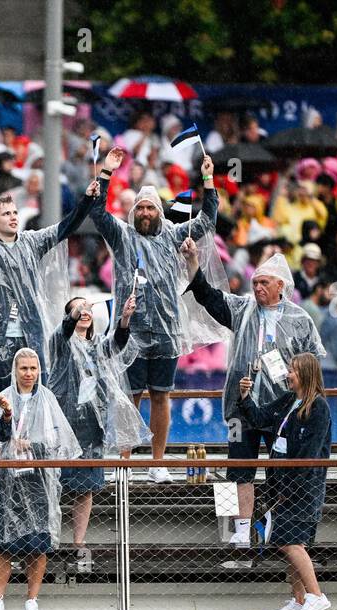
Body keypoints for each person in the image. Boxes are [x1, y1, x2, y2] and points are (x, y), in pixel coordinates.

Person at [90, 146, 222, 481]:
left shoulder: (175, 235)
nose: (146, 212)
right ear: (134, 212)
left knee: (161, 396)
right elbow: (98, 213)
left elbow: (207, 221)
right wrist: (106, 174)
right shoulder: (122, 236)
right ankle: (124, 461)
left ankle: (157, 462)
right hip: (130, 331)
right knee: (129, 397)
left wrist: (208, 180)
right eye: (141, 207)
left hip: (166, 332)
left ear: (160, 212)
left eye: (151, 207)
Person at [183, 238, 324, 551]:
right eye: (255, 282)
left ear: (280, 286)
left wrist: (303, 399)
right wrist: (193, 261)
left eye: (263, 283)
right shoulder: (242, 308)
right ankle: (241, 530)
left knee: (282, 469)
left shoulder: (300, 319)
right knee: (238, 467)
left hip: (283, 406)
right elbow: (208, 296)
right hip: (241, 405)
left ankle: (276, 526)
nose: (257, 288)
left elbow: (313, 362)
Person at [0, 171, 98, 404]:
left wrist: (86, 199)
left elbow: (67, 226)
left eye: (15, 212)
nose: (13, 217)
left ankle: (30, 442)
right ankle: (2, 441)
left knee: (34, 401)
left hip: (30, 336)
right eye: (6, 214)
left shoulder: (32, 242)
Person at [0, 347, 81, 610]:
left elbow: (58, 443)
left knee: (38, 542)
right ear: (15, 370)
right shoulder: (3, 399)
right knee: (3, 541)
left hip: (38, 480)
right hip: (8, 479)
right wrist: (7, 418)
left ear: (39, 371)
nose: (28, 373)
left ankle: (32, 601)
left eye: (33, 368)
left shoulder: (47, 399)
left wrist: (32, 445)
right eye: (23, 368)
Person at [47, 294, 147, 550]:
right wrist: (76, 311)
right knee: (52, 484)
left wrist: (125, 318)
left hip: (92, 425)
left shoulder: (98, 345)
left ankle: (78, 542)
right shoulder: (60, 341)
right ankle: (50, 538)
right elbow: (65, 329)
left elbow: (118, 344)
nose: (85, 311)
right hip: (63, 423)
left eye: (88, 308)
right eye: (78, 308)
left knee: (85, 488)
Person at [237, 353, 333, 610]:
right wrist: (245, 397)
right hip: (282, 487)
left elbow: (309, 454)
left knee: (290, 542)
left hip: (303, 488)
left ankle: (316, 595)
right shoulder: (290, 400)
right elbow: (259, 417)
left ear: (305, 373)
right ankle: (300, 599)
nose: (288, 374)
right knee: (288, 541)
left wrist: (290, 488)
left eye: (292, 370)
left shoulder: (319, 407)